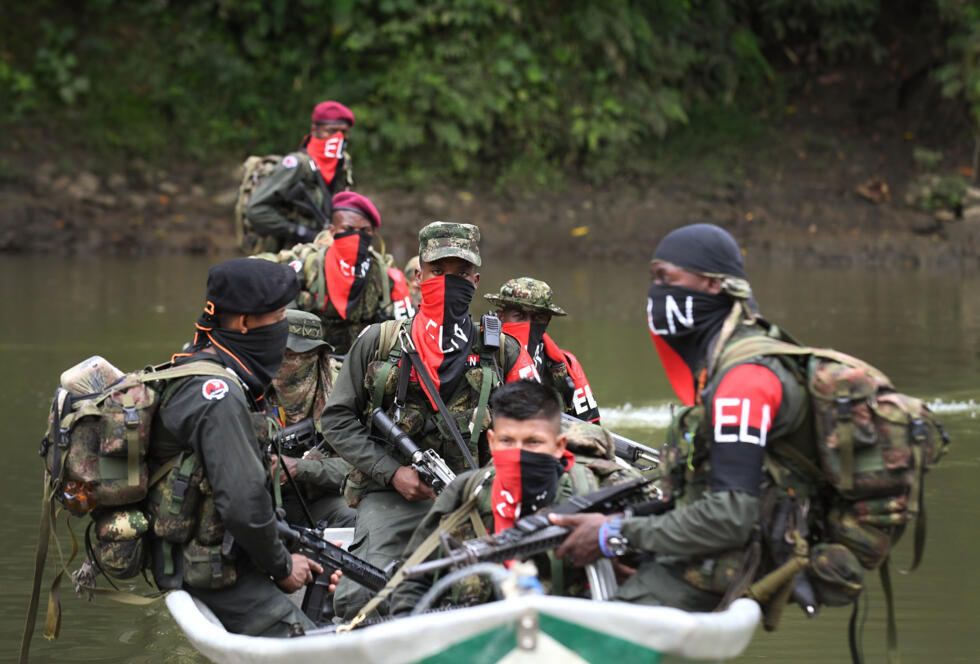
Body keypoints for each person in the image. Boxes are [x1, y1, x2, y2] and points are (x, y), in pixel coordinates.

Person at [551, 223, 813, 611]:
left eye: (666, 278)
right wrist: (620, 519)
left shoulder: (744, 379)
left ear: (712, 284)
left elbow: (730, 516)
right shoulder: (722, 366)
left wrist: (614, 533)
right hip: (717, 544)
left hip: (731, 560)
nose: (655, 293)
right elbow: (699, 497)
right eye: (653, 279)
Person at [321, 221, 537, 620]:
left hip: (476, 497)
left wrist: (498, 484)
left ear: (475, 281)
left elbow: (539, 427)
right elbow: (336, 420)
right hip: (392, 499)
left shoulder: (502, 351)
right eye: (438, 272)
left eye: (460, 274)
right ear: (418, 276)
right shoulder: (379, 341)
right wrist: (391, 473)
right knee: (360, 601)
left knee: (494, 594)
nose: (448, 283)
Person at [147, 258, 323, 636]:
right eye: (279, 316)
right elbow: (243, 502)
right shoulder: (219, 395)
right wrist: (282, 567)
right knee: (315, 644)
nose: (284, 326)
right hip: (208, 569)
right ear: (244, 322)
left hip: (209, 552)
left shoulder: (201, 364)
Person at [388, 380, 628, 614]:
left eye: (533, 442)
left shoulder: (604, 490)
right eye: (507, 441)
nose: (518, 453)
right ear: (492, 442)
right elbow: (411, 580)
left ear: (558, 446)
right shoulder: (468, 492)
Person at [258, 190, 415, 353]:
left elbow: (405, 331)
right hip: (311, 356)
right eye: (348, 229)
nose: (356, 237)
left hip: (362, 359)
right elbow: (263, 273)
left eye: (365, 230)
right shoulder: (311, 263)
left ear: (372, 233)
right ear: (332, 231)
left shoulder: (383, 274)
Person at [267, 309, 356, 528]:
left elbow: (361, 468)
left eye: (295, 355)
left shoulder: (344, 393)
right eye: (278, 353)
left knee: (352, 515)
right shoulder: (254, 388)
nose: (286, 364)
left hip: (322, 498)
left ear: (317, 355)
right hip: (264, 499)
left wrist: (298, 467)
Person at [486, 277, 600, 423]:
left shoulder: (565, 365)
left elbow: (591, 427)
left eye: (537, 318)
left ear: (547, 321)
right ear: (500, 317)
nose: (528, 324)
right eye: (519, 316)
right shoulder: (480, 355)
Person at [245, 100, 355, 252]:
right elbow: (256, 210)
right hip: (288, 253)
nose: (339, 137)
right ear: (314, 130)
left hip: (321, 250)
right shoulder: (296, 165)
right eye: (331, 131)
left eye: (344, 132)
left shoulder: (341, 165)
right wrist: (300, 232)